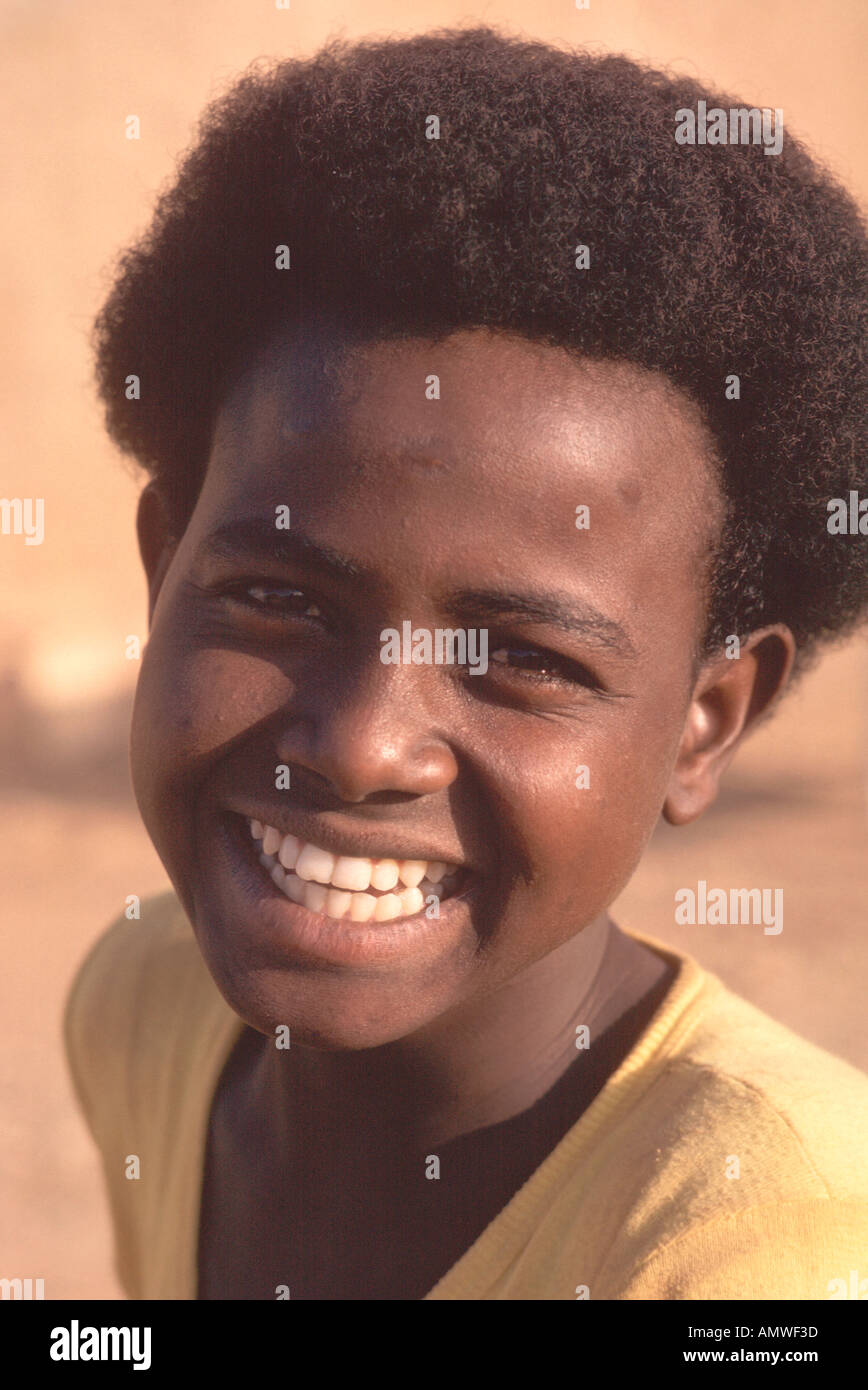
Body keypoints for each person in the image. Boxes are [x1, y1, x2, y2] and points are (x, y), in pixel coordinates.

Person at [64, 26, 868, 1300]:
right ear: (164, 572)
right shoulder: (145, 1001)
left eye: (522, 661)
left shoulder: (761, 1248)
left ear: (707, 720)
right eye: (279, 597)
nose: (361, 742)